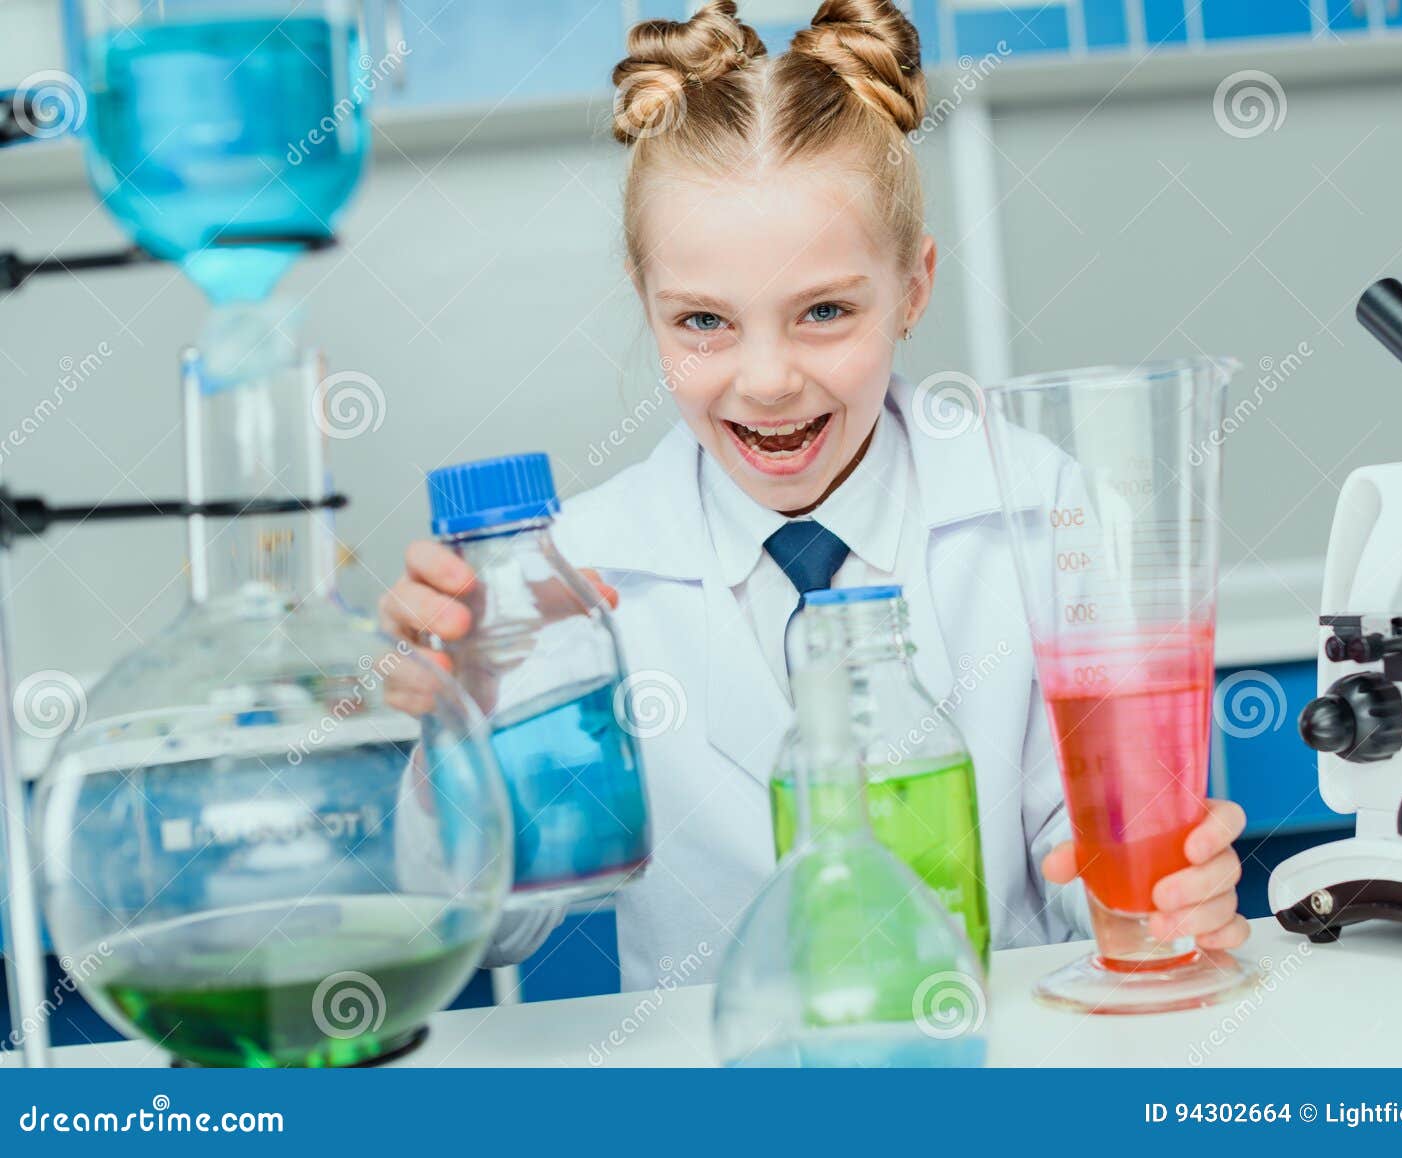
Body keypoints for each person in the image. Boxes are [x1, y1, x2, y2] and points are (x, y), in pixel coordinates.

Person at [380, 0, 1247, 993]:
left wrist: (1166, 893)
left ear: (913, 288)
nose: (767, 380)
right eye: (704, 321)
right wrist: (460, 733)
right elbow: (486, 931)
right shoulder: (575, 570)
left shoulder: (1037, 507)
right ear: (645, 302)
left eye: (824, 312)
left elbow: (1090, 869)